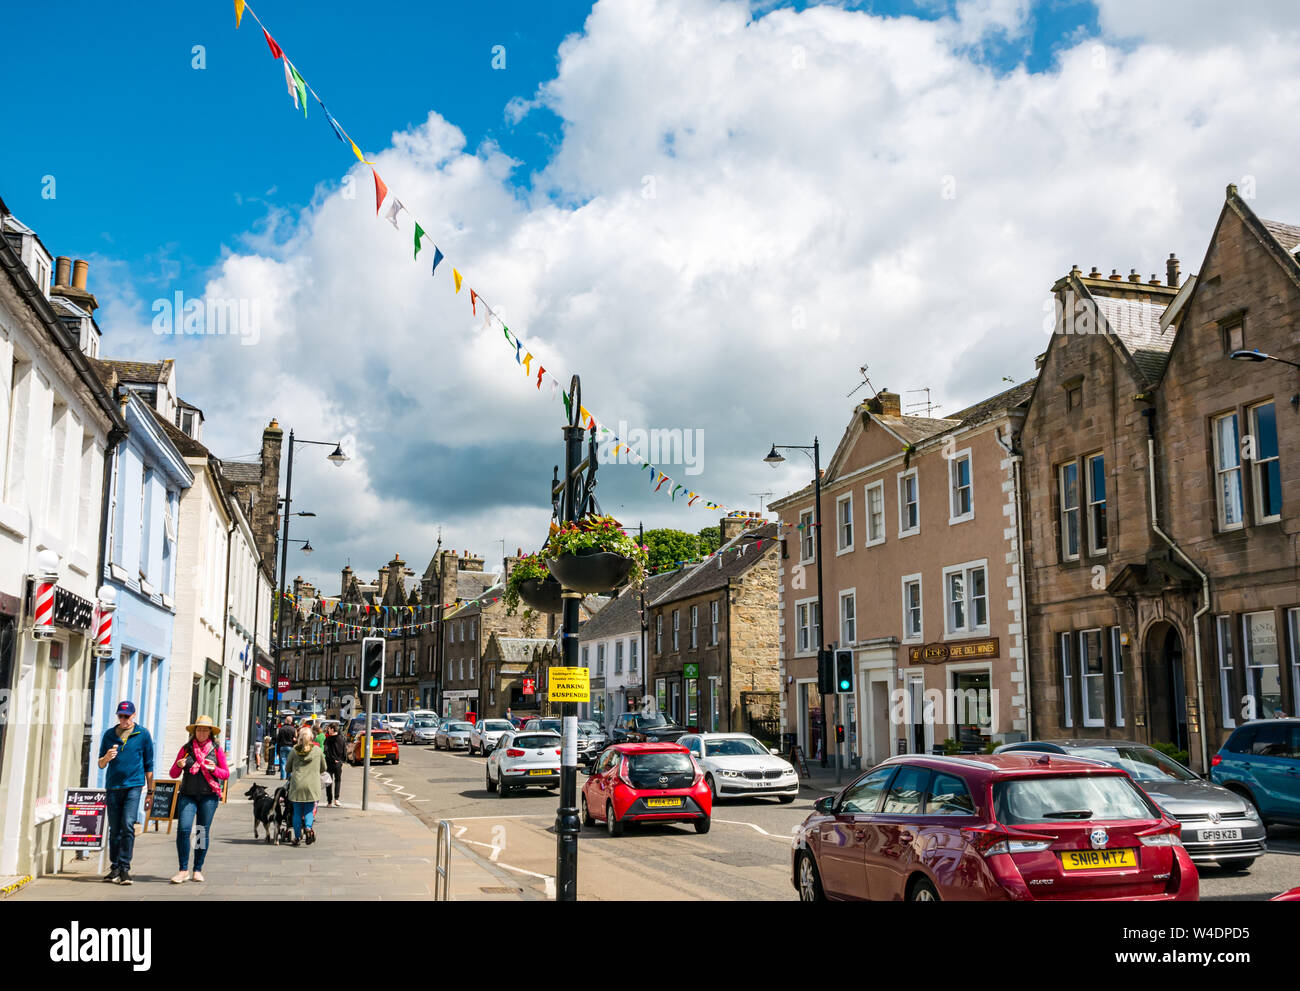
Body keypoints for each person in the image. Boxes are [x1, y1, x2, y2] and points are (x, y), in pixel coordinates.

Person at [97, 700, 154, 885]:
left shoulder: (142, 734)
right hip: (113, 786)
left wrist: (150, 791)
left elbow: (149, 764)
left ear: (134, 715)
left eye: (126, 716)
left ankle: (125, 868)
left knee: (128, 824)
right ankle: (114, 867)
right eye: (120, 716)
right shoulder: (108, 735)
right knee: (114, 829)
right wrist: (106, 757)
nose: (123, 720)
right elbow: (100, 764)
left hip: (134, 786)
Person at [168, 715, 230, 883]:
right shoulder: (186, 749)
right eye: (199, 729)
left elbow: (225, 774)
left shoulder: (216, 749)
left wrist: (214, 769)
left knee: (201, 831)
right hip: (188, 794)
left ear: (210, 732)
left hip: (208, 796)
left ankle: (197, 869)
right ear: (194, 731)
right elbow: (173, 774)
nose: (202, 732)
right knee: (183, 830)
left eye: (205, 729)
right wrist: (179, 766)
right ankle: (183, 870)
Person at [285, 726, 326, 846]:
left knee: (297, 813)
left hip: (297, 785)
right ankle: (308, 828)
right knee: (308, 810)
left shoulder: (294, 751)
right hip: (312, 786)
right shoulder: (318, 751)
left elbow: (287, 768)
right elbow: (324, 768)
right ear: (311, 738)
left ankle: (297, 837)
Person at [323, 722, 347, 807]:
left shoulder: (328, 740)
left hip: (329, 763)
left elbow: (326, 751)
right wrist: (340, 760)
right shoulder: (342, 738)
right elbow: (344, 751)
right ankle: (336, 799)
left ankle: (329, 801)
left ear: (332, 729)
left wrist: (333, 759)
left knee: (328, 782)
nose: (327, 730)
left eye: (329, 728)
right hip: (338, 763)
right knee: (338, 780)